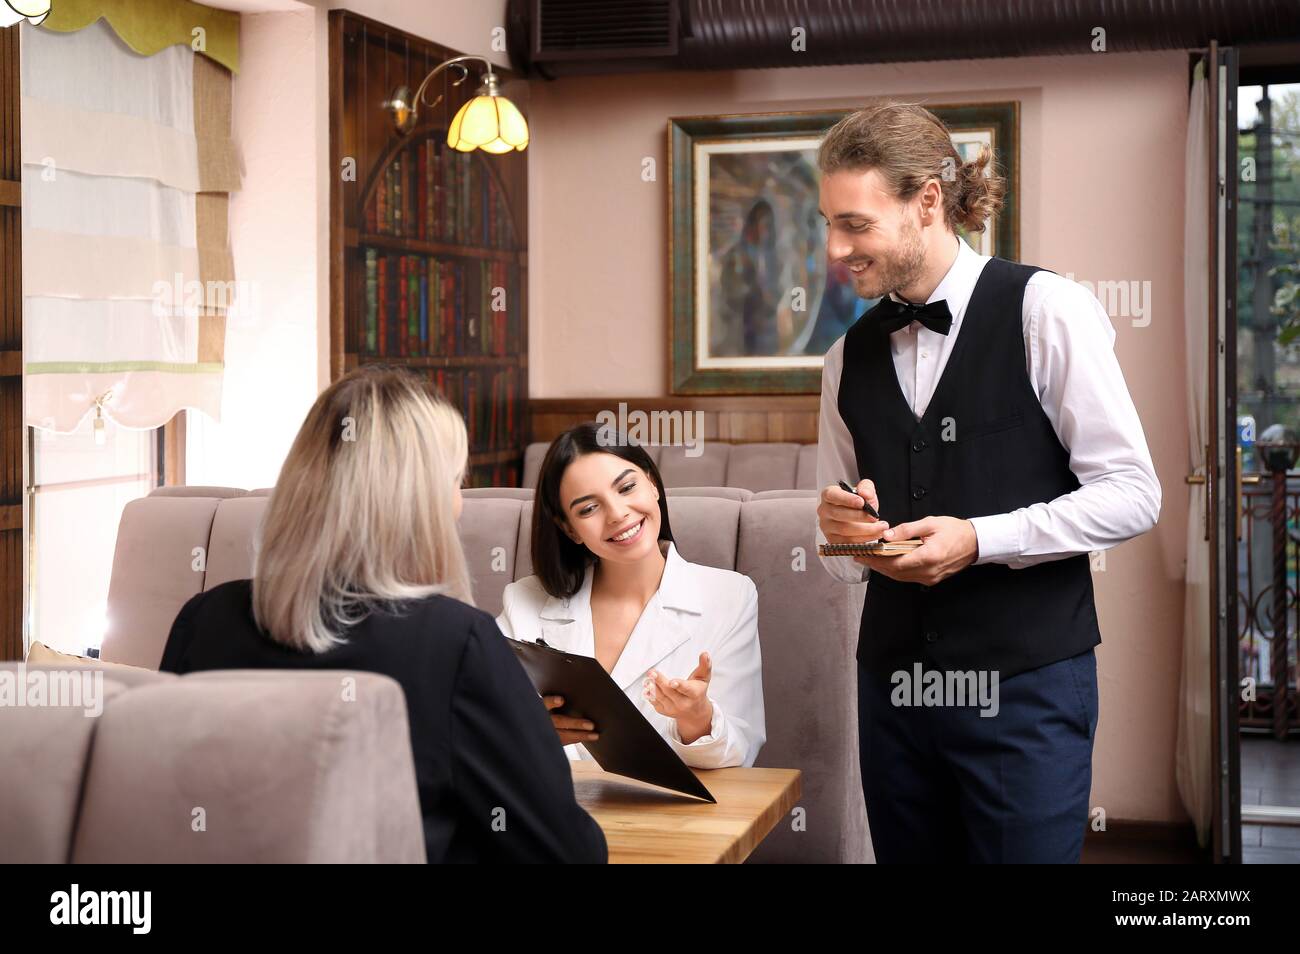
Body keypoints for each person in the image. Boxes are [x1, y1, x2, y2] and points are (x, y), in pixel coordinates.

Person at [813, 102, 1161, 863]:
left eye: (855, 224)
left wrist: (979, 540)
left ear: (927, 201)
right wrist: (841, 537)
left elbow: (1135, 492)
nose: (837, 249)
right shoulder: (844, 359)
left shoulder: (1049, 310)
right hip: (895, 697)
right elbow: (836, 547)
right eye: (828, 224)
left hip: (1026, 694)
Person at [160, 367, 607, 864]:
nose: (458, 502)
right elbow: (566, 854)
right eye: (455, 481)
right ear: (420, 501)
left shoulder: (204, 619)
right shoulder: (457, 642)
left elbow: (167, 814)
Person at [496, 423, 765, 769]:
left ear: (652, 483)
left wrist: (696, 718)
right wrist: (531, 731)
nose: (618, 514)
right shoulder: (523, 603)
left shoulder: (729, 597)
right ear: (568, 529)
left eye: (626, 487)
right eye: (588, 509)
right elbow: (481, 727)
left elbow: (739, 753)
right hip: (554, 814)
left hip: (676, 819)